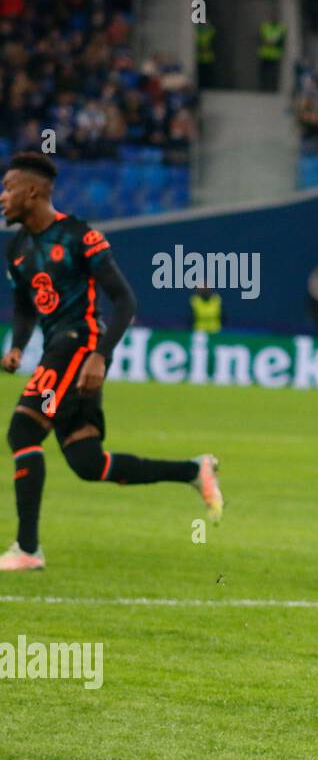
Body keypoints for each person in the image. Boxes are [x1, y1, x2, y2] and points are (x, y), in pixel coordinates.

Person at [0, 153, 223, 572]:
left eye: (9, 187)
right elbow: (25, 308)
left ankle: (27, 549)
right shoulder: (17, 249)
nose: (3, 196)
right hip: (57, 351)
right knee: (88, 462)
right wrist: (16, 346)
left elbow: (124, 299)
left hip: (78, 347)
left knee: (23, 429)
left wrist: (100, 354)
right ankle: (194, 470)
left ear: (33, 191)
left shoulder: (78, 237)